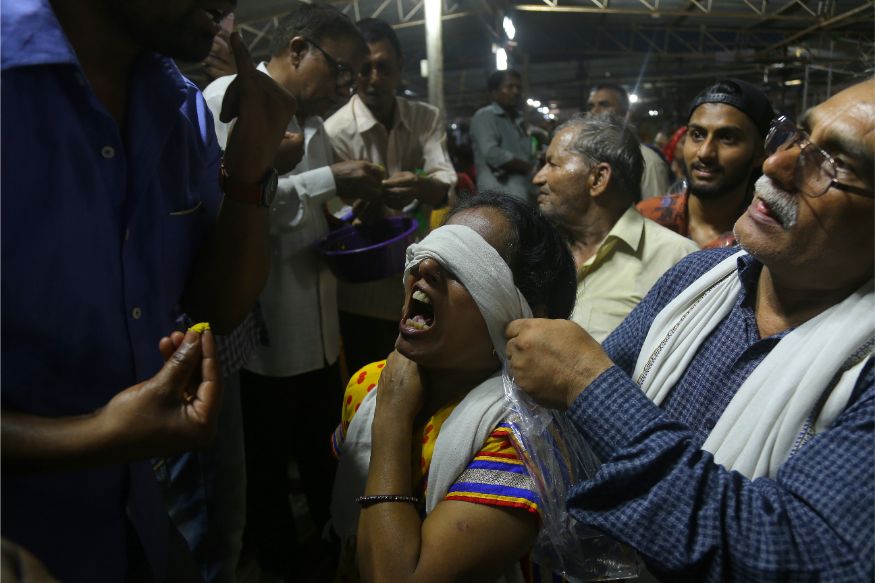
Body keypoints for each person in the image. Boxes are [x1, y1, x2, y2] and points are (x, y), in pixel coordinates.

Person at [506, 80, 874, 581]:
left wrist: (589, 387)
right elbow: (569, 436)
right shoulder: (697, 280)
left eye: (835, 164)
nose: (776, 166)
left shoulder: (864, 369)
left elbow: (791, 553)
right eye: (797, 138)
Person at [1, 0, 297, 580]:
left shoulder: (176, 103)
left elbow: (215, 305)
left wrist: (250, 170)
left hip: (138, 527)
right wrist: (92, 438)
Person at [201, 5, 371, 580]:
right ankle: (281, 564)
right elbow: (234, 205)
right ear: (297, 49)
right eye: (341, 72)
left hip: (318, 322)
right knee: (265, 468)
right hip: (264, 331)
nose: (346, 89)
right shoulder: (232, 97)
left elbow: (310, 207)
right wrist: (329, 181)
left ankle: (330, 548)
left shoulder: (314, 125)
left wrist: (351, 211)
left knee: (323, 451)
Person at [330, 192, 578, 581]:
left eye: (462, 263)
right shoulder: (367, 385)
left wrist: (392, 421)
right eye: (430, 249)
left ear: (521, 318)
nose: (425, 264)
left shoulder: (524, 435)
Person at [324, 17, 458, 374]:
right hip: (363, 295)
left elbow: (445, 178)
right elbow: (333, 215)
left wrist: (418, 184)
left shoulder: (425, 117)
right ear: (351, 73)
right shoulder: (334, 132)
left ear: (400, 66)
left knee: (425, 383)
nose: (373, 78)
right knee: (368, 385)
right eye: (363, 69)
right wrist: (355, 214)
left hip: (422, 283)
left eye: (383, 67)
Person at [534, 113, 698, 342]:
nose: (538, 178)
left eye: (552, 164)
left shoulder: (677, 260)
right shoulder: (539, 250)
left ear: (598, 178)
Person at [637, 79, 774, 248]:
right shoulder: (647, 218)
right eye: (697, 135)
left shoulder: (765, 240)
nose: (705, 152)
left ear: (760, 152)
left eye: (727, 138)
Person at [586, 83, 671, 200]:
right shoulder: (584, 158)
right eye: (590, 106)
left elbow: (656, 213)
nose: (594, 111)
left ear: (626, 114)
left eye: (604, 105)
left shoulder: (648, 161)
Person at [470, 70, 536, 202]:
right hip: (499, 198)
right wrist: (527, 167)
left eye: (518, 87)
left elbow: (526, 153)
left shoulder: (518, 121)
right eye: (510, 87)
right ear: (494, 93)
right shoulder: (485, 116)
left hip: (523, 194)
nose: (516, 91)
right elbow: (492, 153)